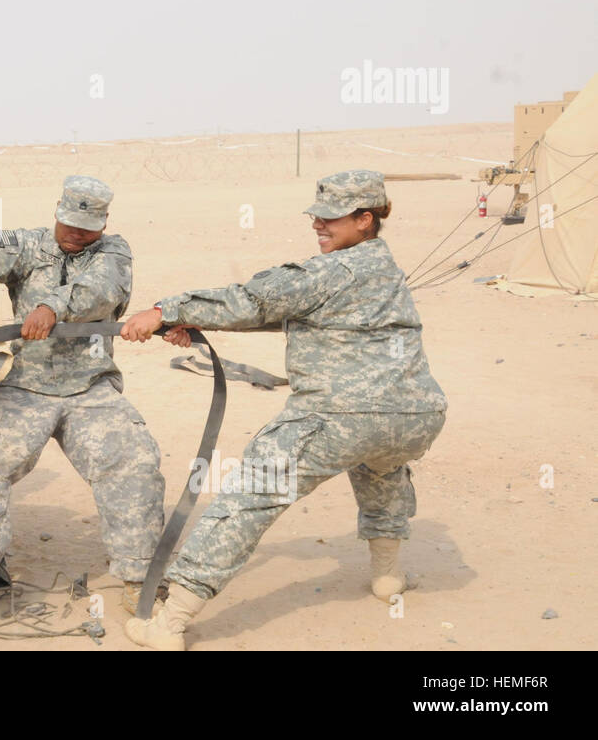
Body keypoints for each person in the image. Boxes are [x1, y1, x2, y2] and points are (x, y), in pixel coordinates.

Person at [119, 170, 447, 650]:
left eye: (330, 216)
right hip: (416, 415)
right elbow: (302, 316)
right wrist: (191, 320)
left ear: (364, 219)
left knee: (249, 498)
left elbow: (253, 300)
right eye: (316, 214)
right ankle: (388, 578)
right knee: (382, 472)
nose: (317, 223)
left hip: (337, 416)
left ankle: (169, 624)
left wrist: (164, 310)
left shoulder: (329, 271)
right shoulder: (385, 268)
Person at [0, 176, 166, 629]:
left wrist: (50, 306)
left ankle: (139, 579)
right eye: (69, 223)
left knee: (133, 463)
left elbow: (103, 291)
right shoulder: (27, 244)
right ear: (57, 211)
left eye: (86, 227)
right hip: (23, 386)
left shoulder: (114, 252)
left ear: (103, 224)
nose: (75, 233)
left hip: (91, 389)